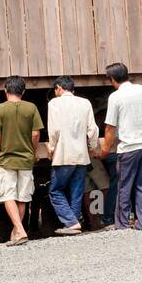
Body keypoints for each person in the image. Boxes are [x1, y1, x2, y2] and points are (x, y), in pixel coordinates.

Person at [0, 75, 43, 246]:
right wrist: (33, 153)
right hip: (26, 160)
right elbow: (35, 133)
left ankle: (18, 230)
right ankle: (17, 232)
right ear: (23, 91)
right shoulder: (31, 108)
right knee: (22, 197)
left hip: (7, 160)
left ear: (5, 90)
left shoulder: (0, 109)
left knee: (7, 195)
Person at [101, 62, 142, 230]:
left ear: (112, 79)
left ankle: (123, 224)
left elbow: (110, 127)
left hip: (128, 147)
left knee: (124, 185)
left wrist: (105, 149)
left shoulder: (115, 97)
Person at [46, 76, 98, 236]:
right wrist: (92, 147)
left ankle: (72, 222)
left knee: (55, 191)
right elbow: (93, 129)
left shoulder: (54, 103)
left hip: (63, 154)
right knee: (76, 191)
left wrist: (51, 148)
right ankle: (74, 223)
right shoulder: (85, 103)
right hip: (82, 155)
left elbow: (54, 130)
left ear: (59, 88)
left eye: (55, 90)